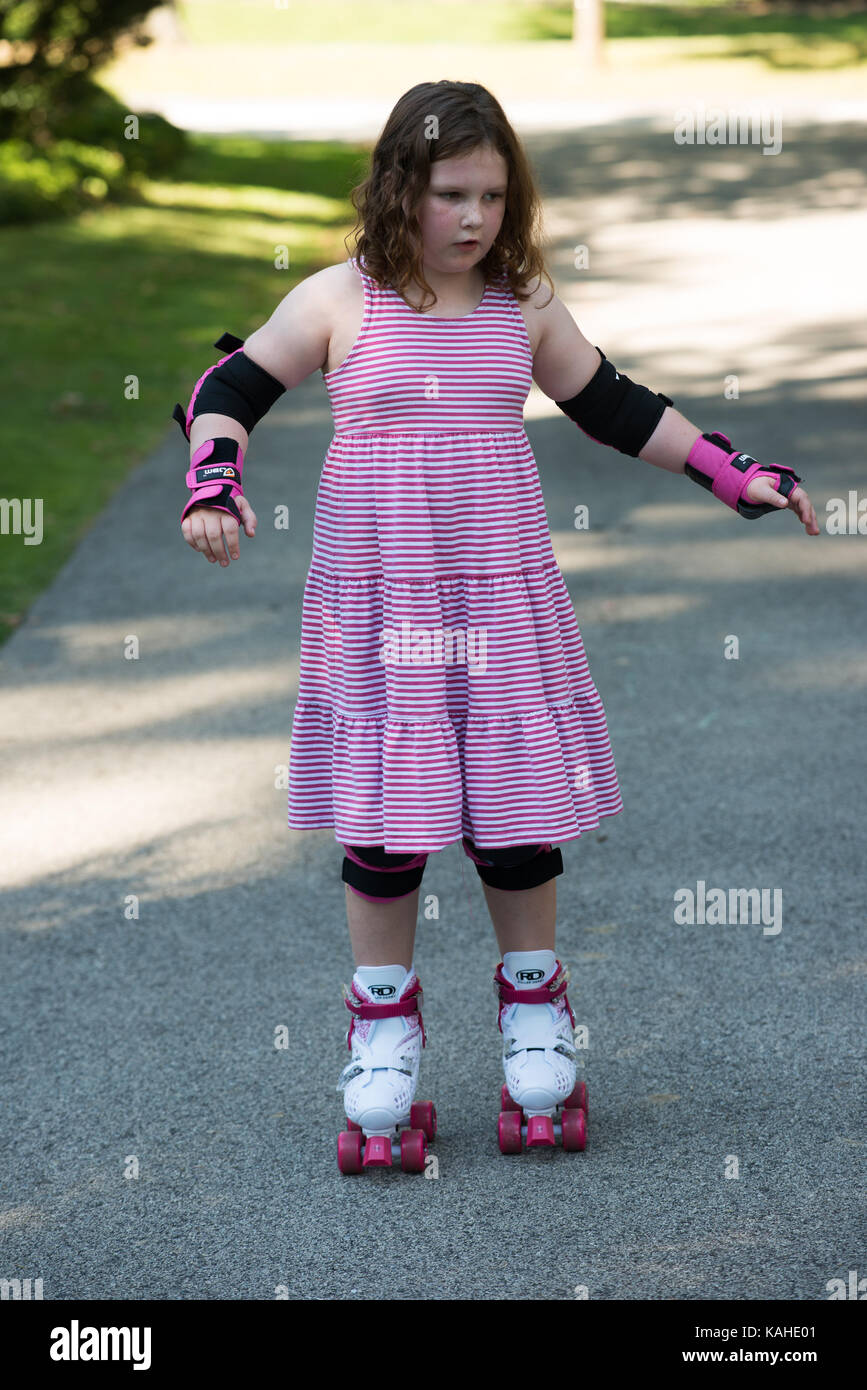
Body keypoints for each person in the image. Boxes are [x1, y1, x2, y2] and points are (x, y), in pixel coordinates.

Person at [175, 81, 819, 1167]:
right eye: (449, 194)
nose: (473, 219)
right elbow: (229, 384)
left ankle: (534, 1007)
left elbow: (614, 405)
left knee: (515, 806)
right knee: (387, 813)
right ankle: (383, 1026)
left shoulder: (518, 305)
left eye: (492, 196)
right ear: (398, 189)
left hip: (496, 590)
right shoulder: (344, 299)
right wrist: (214, 478)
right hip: (381, 597)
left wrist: (729, 472)